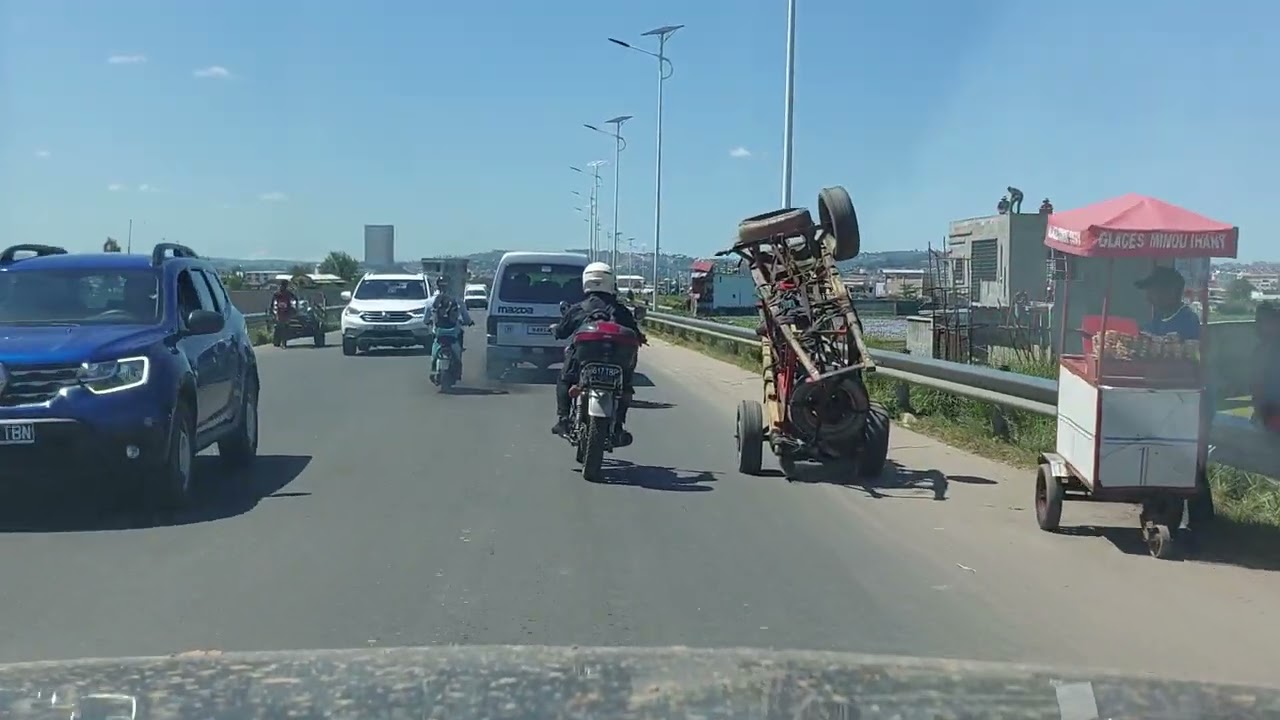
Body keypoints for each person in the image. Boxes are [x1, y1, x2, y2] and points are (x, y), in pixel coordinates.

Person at [551, 262, 645, 444]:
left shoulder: (578, 308)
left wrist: (555, 329)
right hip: (617, 360)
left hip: (584, 359)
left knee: (564, 379)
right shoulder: (621, 310)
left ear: (586, 281)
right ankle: (618, 426)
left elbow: (562, 332)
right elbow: (635, 333)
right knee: (625, 387)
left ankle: (563, 420)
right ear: (611, 282)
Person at [1135, 266, 1200, 340]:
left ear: (1171, 292)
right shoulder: (1160, 316)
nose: (1148, 298)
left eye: (1153, 292)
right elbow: (1147, 331)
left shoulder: (1188, 320)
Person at [425, 274, 474, 352]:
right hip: (454, 331)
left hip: (438, 331)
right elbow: (465, 315)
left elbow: (426, 319)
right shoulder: (456, 299)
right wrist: (468, 322)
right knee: (460, 337)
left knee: (434, 345)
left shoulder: (431, 301)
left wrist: (428, 322)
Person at [269, 279, 298, 348]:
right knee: (281, 327)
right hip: (280, 312)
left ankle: (283, 342)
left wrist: (295, 307)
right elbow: (273, 302)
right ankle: (281, 341)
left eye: (284, 286)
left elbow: (295, 298)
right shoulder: (278, 293)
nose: (283, 287)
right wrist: (272, 309)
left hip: (286, 312)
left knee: (284, 327)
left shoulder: (287, 293)